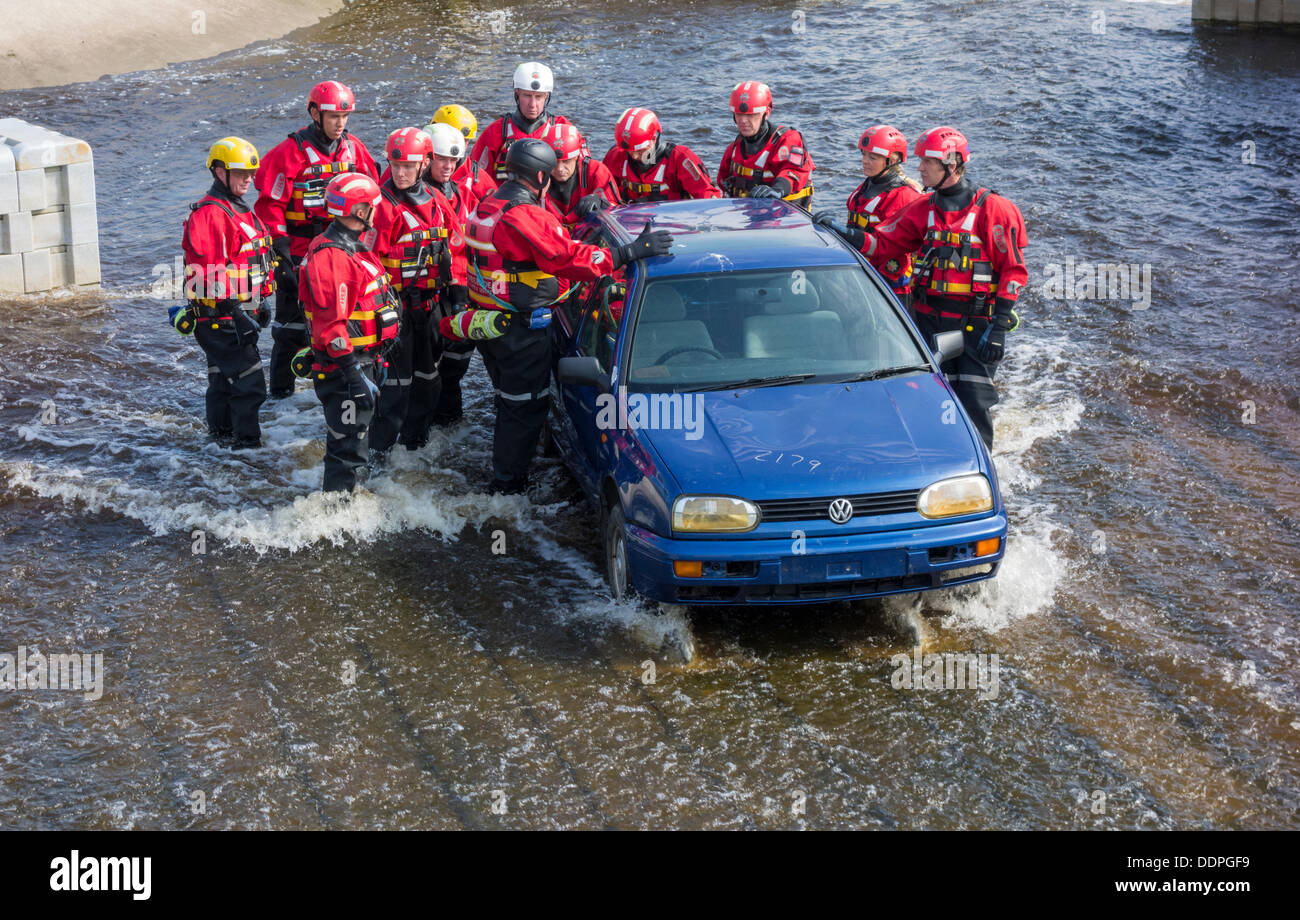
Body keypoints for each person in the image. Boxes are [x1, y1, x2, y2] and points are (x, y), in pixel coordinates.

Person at [443, 138, 673, 495]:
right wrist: (630, 251)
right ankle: (508, 489)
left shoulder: (489, 205)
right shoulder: (524, 214)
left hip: (491, 324)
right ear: (539, 176)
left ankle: (509, 475)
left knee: (510, 401)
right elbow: (568, 258)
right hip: (519, 330)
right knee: (524, 408)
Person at [817, 126, 1027, 449]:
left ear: (952, 164)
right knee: (928, 399)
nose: (919, 168)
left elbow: (1013, 270)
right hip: (929, 321)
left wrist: (999, 326)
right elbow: (882, 245)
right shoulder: (923, 209)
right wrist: (842, 232)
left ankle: (981, 469)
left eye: (928, 162)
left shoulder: (993, 209)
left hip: (977, 327)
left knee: (973, 401)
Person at [254, 80, 380, 398]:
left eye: (345, 117)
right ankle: (281, 396)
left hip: (343, 253)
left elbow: (372, 197)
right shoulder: (289, 153)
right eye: (333, 116)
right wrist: (282, 259)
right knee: (289, 330)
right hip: (297, 255)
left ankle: (335, 388)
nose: (340, 124)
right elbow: (271, 206)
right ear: (314, 113)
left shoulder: (356, 151)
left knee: (342, 324)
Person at [298, 173, 400, 492]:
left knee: (357, 441)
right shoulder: (331, 257)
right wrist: (355, 377)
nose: (376, 213)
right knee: (346, 450)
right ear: (359, 212)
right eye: (372, 207)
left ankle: (350, 505)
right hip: (345, 370)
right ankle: (337, 521)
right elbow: (333, 328)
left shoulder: (352, 247)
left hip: (364, 361)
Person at [370, 127, 465, 454]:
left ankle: (416, 445)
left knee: (429, 379)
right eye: (395, 165)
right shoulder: (382, 206)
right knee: (395, 385)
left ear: (424, 164)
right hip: (394, 308)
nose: (399, 172)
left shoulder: (439, 201)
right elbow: (368, 262)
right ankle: (380, 454)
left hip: (430, 304)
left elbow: (456, 246)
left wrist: (459, 294)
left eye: (408, 166)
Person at [176, 137, 275, 449]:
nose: (248, 179)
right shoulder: (210, 214)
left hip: (234, 313)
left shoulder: (237, 209)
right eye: (241, 172)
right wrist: (236, 312)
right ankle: (248, 449)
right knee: (251, 385)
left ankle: (220, 444)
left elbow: (245, 264)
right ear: (219, 172)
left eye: (251, 173)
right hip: (222, 318)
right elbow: (207, 275)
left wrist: (259, 302)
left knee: (223, 381)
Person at [817, 124, 923, 304]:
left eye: (872, 157)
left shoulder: (903, 196)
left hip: (892, 287)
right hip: (864, 275)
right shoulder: (866, 187)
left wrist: (843, 231)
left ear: (892, 160)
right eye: (863, 154)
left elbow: (887, 244)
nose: (865, 161)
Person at [424, 122, 484, 427]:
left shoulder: (462, 193)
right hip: (426, 290)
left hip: (459, 286)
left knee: (457, 357)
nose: (448, 166)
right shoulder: (414, 195)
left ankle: (448, 418)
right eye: (441, 159)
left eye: (453, 160)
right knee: (424, 364)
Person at [716, 81, 815, 210]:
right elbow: (723, 181)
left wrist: (778, 190)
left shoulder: (788, 140)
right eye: (739, 114)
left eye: (751, 115)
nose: (743, 121)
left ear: (766, 113)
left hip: (785, 218)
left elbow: (793, 172)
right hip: (744, 218)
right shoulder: (735, 148)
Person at [470, 62, 573, 183]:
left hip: (547, 200)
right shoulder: (496, 132)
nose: (533, 104)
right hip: (505, 199)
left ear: (546, 96)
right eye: (527, 96)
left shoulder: (563, 129)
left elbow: (585, 172)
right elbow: (475, 178)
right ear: (517, 94)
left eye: (539, 97)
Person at [602, 107, 720, 203]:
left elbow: (708, 198)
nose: (634, 157)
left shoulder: (680, 159)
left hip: (673, 222)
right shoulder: (616, 156)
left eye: (640, 151)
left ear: (654, 139)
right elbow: (604, 193)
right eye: (630, 151)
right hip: (629, 223)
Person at [543, 122, 621, 223]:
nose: (559, 168)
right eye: (554, 162)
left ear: (576, 157)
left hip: (587, 232)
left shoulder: (596, 171)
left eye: (566, 161)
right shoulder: (537, 175)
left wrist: (602, 203)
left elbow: (617, 211)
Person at [428, 104, 498, 206]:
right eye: (457, 140)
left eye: (465, 141)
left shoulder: (476, 177)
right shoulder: (412, 169)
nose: (461, 147)